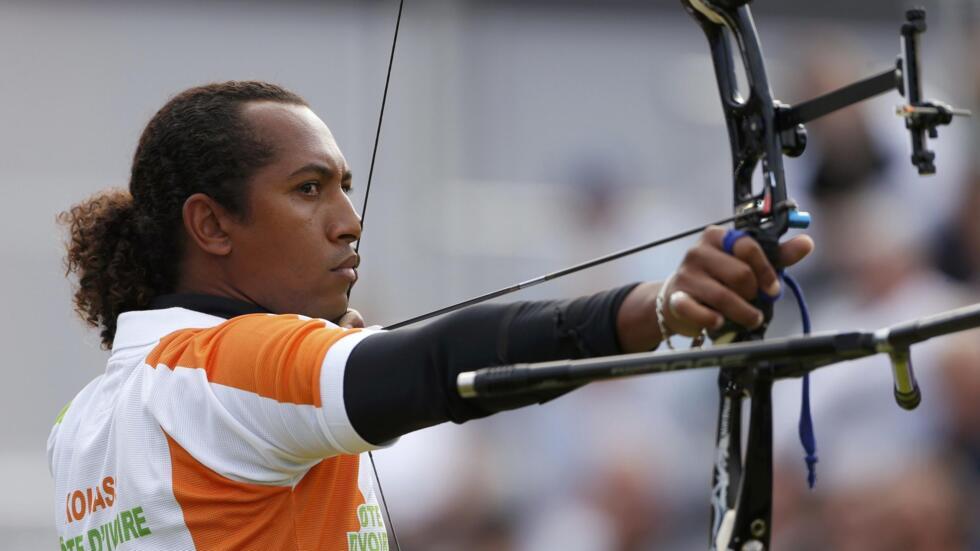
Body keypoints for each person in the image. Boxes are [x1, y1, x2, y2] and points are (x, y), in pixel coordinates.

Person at [49, 81, 813, 550]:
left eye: (345, 185)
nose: (349, 219)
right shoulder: (232, 368)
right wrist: (659, 308)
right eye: (309, 189)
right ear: (212, 226)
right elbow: (441, 363)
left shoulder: (80, 427)